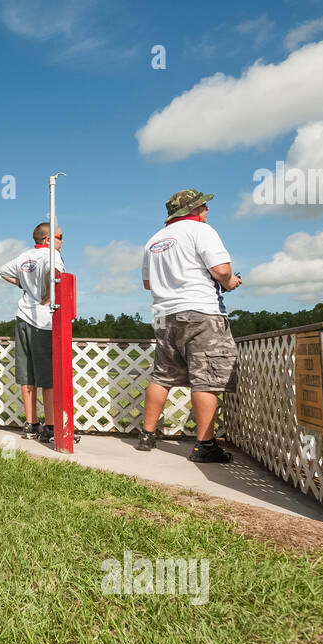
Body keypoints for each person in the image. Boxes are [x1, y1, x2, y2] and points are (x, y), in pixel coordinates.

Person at [137, 189, 242, 463]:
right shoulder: (201, 231)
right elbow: (221, 271)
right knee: (206, 377)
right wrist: (230, 283)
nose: (207, 210)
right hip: (200, 311)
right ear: (193, 209)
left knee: (163, 375)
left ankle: (147, 434)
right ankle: (205, 445)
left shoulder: (154, 240)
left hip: (164, 315)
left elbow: (148, 283)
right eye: (204, 206)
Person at [0, 221, 73, 445]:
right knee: (48, 377)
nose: (62, 241)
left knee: (27, 374)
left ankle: (31, 424)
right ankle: (50, 426)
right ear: (48, 240)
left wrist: (24, 285)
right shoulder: (53, 255)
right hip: (43, 320)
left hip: (23, 317)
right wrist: (49, 294)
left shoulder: (24, 257)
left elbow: (3, 272)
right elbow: (58, 276)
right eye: (60, 236)